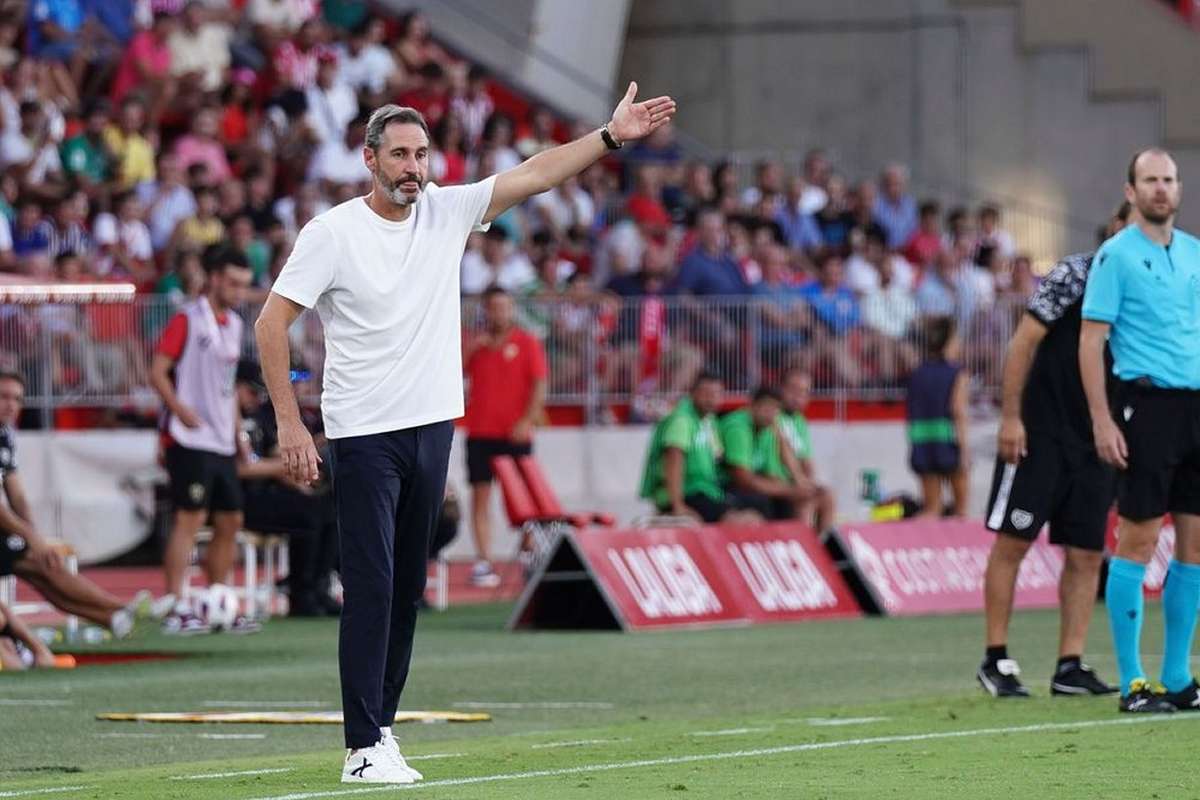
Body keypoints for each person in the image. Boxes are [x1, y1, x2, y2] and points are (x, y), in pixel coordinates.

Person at [254, 85, 676, 784]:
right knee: (372, 583)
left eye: (421, 153)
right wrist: (292, 422)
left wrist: (608, 137)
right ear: (369, 160)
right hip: (363, 432)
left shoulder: (446, 212)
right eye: (399, 155)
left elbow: (535, 173)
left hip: (431, 427)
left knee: (409, 584)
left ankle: (382, 730)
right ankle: (361, 746)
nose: (413, 166)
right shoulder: (331, 233)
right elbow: (272, 324)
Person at [978, 205, 1131, 700]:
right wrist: (1010, 417)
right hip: (1040, 434)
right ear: (1113, 228)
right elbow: (1023, 344)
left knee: (1087, 554)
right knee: (1013, 543)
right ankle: (995, 658)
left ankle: (1070, 665)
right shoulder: (1074, 274)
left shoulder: (1147, 293)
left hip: (1097, 442)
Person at [1080, 147, 1200, 713]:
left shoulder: (1194, 253)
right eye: (1150, 180)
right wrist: (1103, 419)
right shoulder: (1115, 257)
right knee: (1140, 538)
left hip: (1195, 409)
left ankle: (1177, 677)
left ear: (1178, 189)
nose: (1160, 188)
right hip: (1147, 408)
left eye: (1168, 180)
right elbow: (1091, 342)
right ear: (1131, 191)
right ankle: (1133, 681)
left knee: (1194, 544)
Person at [150, 246, 258, 635]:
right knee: (189, 518)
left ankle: (218, 600)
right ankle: (177, 605)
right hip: (188, 437)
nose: (238, 292)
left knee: (231, 519)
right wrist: (178, 408)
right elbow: (158, 369)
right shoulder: (188, 319)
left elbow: (227, 387)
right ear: (213, 278)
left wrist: (237, 431)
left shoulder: (235, 325)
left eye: (244, 286)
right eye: (232, 283)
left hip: (221, 439)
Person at [0, 371, 137, 638]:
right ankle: (122, 610)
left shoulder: (5, 435)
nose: (11, 404)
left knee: (44, 571)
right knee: (42, 566)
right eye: (3, 397)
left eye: (17, 398)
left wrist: (33, 535)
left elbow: (17, 494)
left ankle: (116, 619)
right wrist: (33, 539)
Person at [236, 360, 340, 617]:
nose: (255, 396)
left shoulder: (303, 415)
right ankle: (302, 591)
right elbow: (247, 466)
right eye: (251, 391)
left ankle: (318, 586)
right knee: (310, 512)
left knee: (328, 508)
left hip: (270, 492)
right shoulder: (254, 417)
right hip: (247, 497)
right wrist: (289, 465)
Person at [462, 286, 547, 588]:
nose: (498, 313)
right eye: (493, 307)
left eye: (503, 307)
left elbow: (539, 385)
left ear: (512, 309)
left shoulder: (527, 343)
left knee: (524, 500)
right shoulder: (475, 344)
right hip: (480, 431)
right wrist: (473, 348)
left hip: (514, 433)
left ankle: (528, 553)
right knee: (480, 497)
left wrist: (527, 420)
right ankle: (484, 560)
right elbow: (453, 371)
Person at [639, 372, 737, 523]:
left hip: (706, 491)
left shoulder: (709, 421)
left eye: (717, 394)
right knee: (738, 521)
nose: (711, 399)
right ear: (692, 394)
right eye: (706, 394)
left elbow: (718, 456)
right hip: (687, 494)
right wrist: (678, 506)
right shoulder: (682, 420)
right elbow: (673, 462)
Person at [906, 316, 969, 517]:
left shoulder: (916, 372)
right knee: (961, 511)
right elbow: (958, 410)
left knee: (931, 509)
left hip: (921, 439)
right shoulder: (957, 372)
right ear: (949, 340)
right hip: (947, 440)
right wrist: (964, 449)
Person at [719, 387, 804, 520]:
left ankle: (805, 539)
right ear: (752, 406)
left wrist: (797, 486)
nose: (770, 414)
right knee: (765, 502)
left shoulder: (768, 429)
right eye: (766, 408)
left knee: (796, 499)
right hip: (724, 486)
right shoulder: (737, 427)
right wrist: (788, 490)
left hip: (749, 484)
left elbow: (771, 474)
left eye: (775, 409)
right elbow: (742, 479)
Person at [777, 369, 835, 532]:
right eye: (793, 390)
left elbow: (806, 459)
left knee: (828, 495)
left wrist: (809, 482)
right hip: (776, 480)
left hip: (795, 482)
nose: (798, 397)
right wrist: (802, 483)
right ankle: (804, 548)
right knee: (806, 500)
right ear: (781, 389)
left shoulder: (799, 421)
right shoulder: (773, 416)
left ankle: (824, 547)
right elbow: (784, 451)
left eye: (804, 392)